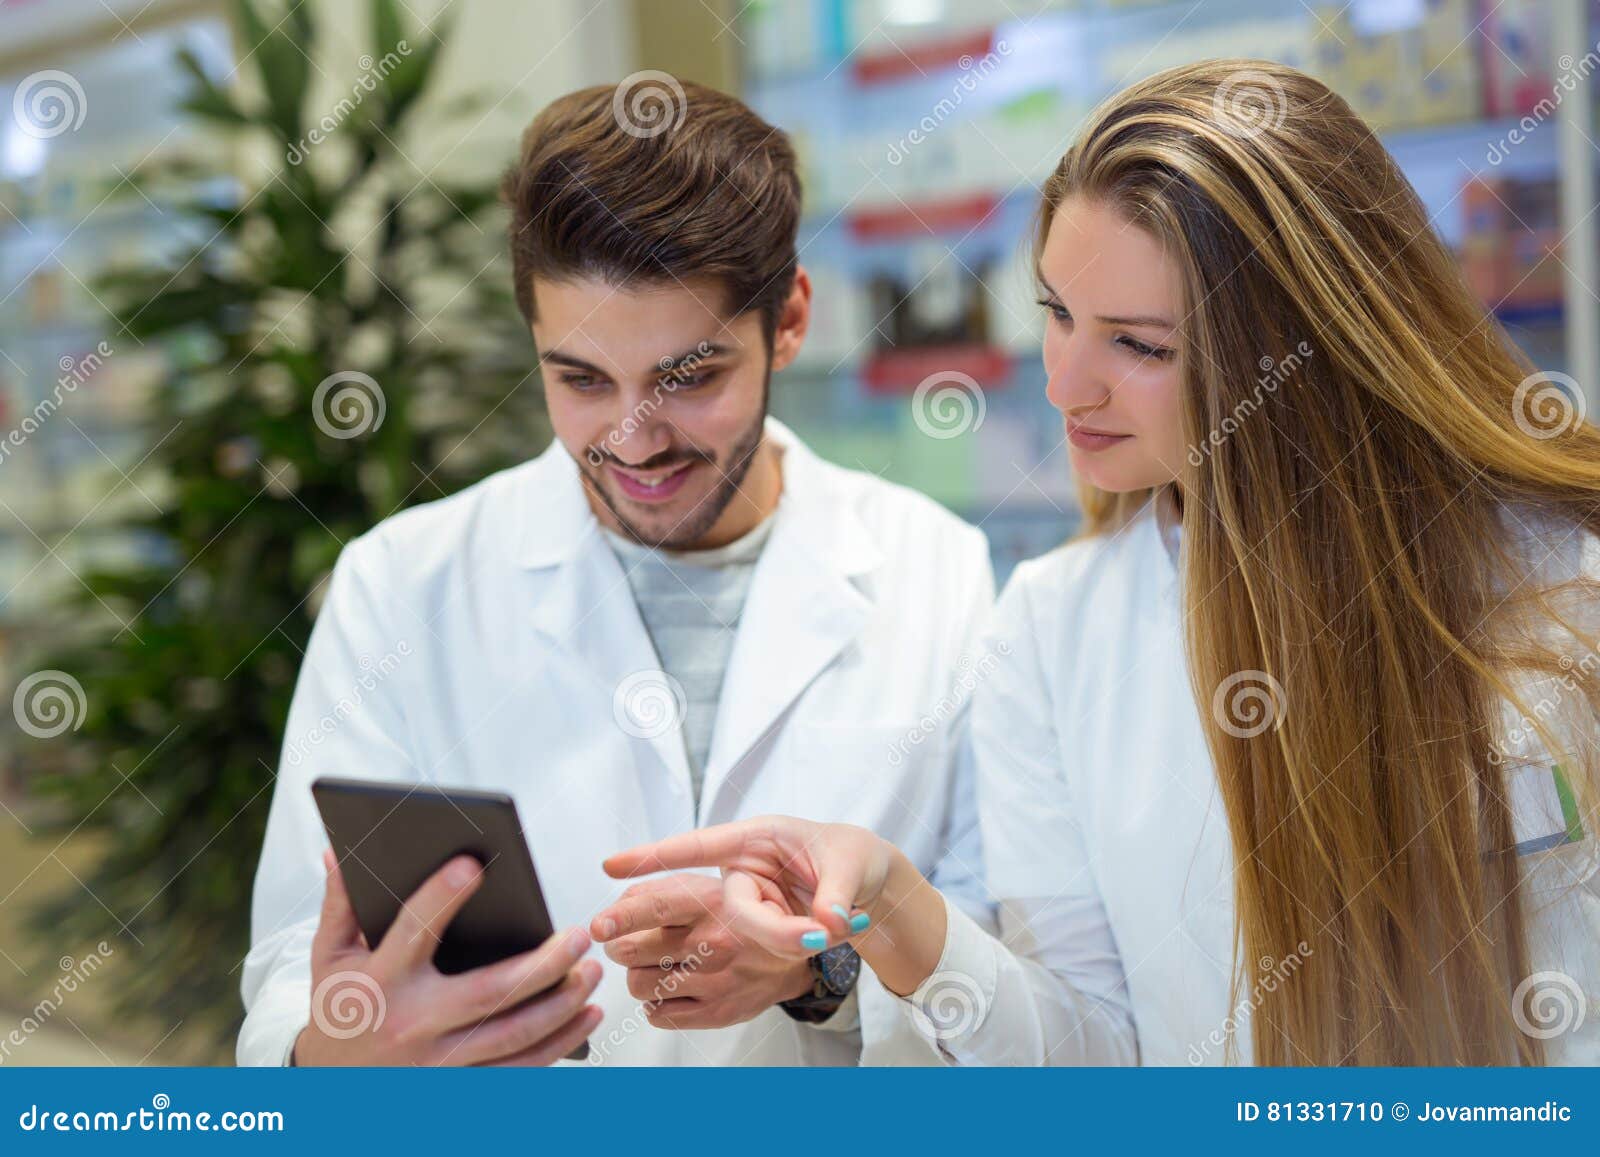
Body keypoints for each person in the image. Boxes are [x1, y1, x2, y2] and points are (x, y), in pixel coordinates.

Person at [604, 59, 1600, 1067]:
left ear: (1307, 348)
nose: (1065, 381)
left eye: (1139, 345)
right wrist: (894, 905)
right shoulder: (1051, 625)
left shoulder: (1565, 572)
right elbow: (1094, 1054)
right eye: (1057, 311)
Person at [238, 79, 994, 1067]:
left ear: (791, 319)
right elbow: (300, 955)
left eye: (689, 376)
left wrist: (828, 977)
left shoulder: (932, 566)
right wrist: (341, 1058)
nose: (633, 441)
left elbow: (991, 966)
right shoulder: (403, 583)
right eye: (582, 379)